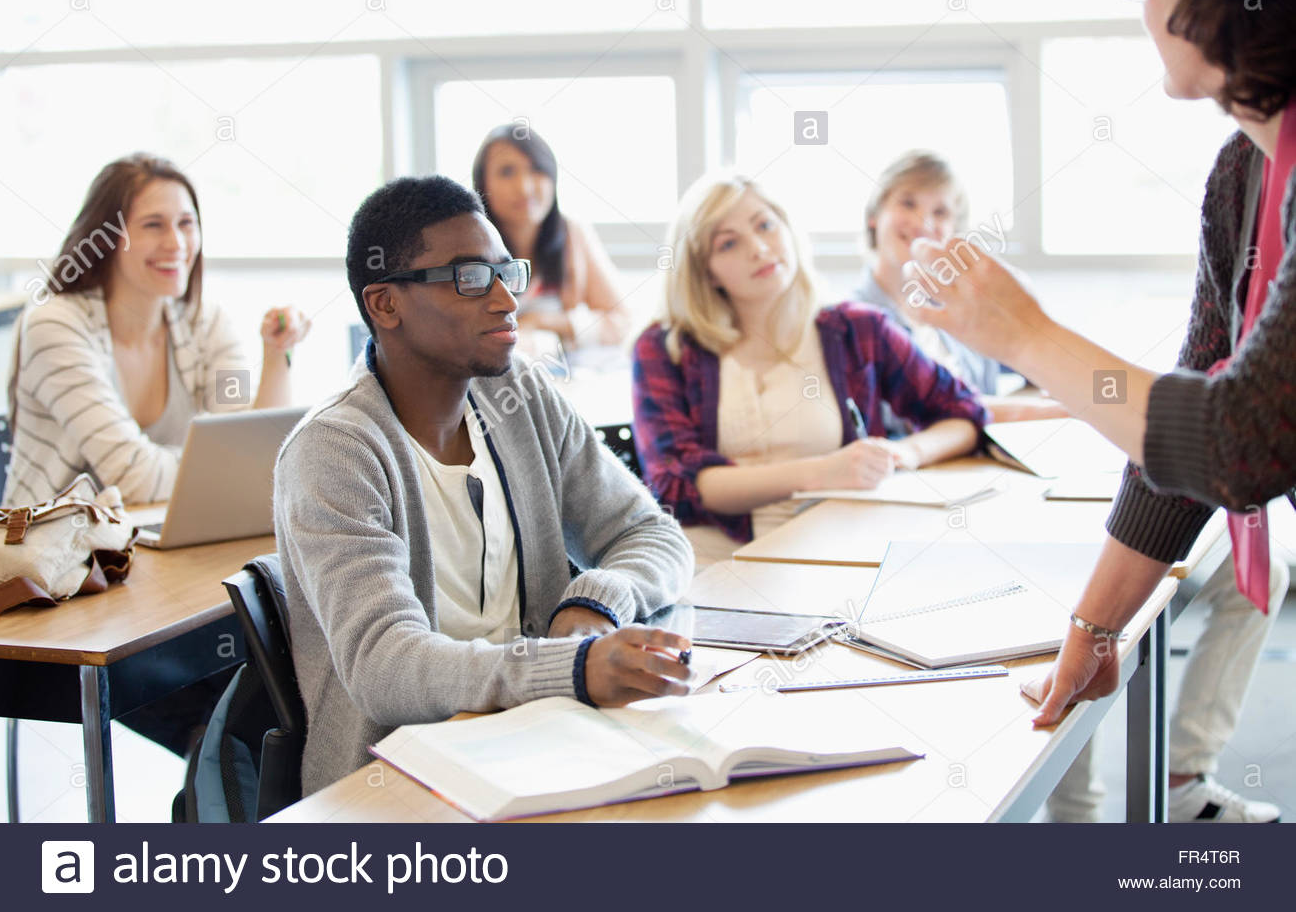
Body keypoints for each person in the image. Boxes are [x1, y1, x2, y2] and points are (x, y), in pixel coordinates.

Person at [902, 0, 1294, 820]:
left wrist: (1024, 333)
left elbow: (1239, 443)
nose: (1138, 8)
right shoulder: (1245, 172)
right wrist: (1094, 627)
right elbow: (1187, 424)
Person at [274, 175, 694, 794]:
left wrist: (595, 602)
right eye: (470, 278)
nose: (505, 299)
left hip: (544, 745)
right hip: (391, 785)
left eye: (506, 272)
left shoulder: (518, 393)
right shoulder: (335, 451)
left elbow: (650, 534)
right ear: (384, 304)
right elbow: (385, 666)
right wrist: (569, 668)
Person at [632, 171, 990, 569]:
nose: (759, 248)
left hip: (839, 550)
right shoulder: (664, 348)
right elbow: (675, 484)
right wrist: (822, 472)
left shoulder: (856, 329)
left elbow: (965, 414)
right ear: (705, 269)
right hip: (711, 560)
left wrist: (903, 452)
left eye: (765, 225)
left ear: (788, 228)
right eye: (728, 243)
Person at [4, 153, 309, 507]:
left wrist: (275, 356)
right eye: (153, 225)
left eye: (186, 223)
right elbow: (135, 479)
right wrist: (229, 469)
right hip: (57, 554)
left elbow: (257, 450)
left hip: (155, 545)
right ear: (107, 238)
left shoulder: (206, 323)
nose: (177, 244)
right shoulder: (54, 327)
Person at [858, 150, 1066, 432]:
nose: (923, 223)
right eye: (908, 204)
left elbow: (1035, 357)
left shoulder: (961, 304)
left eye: (940, 212)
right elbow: (918, 411)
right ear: (874, 215)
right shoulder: (853, 320)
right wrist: (1049, 411)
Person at [472, 123, 630, 349]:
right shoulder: (467, 245)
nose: (524, 188)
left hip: (565, 378)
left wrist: (543, 321)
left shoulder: (572, 234)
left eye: (537, 169)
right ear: (482, 182)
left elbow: (622, 324)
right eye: (507, 172)